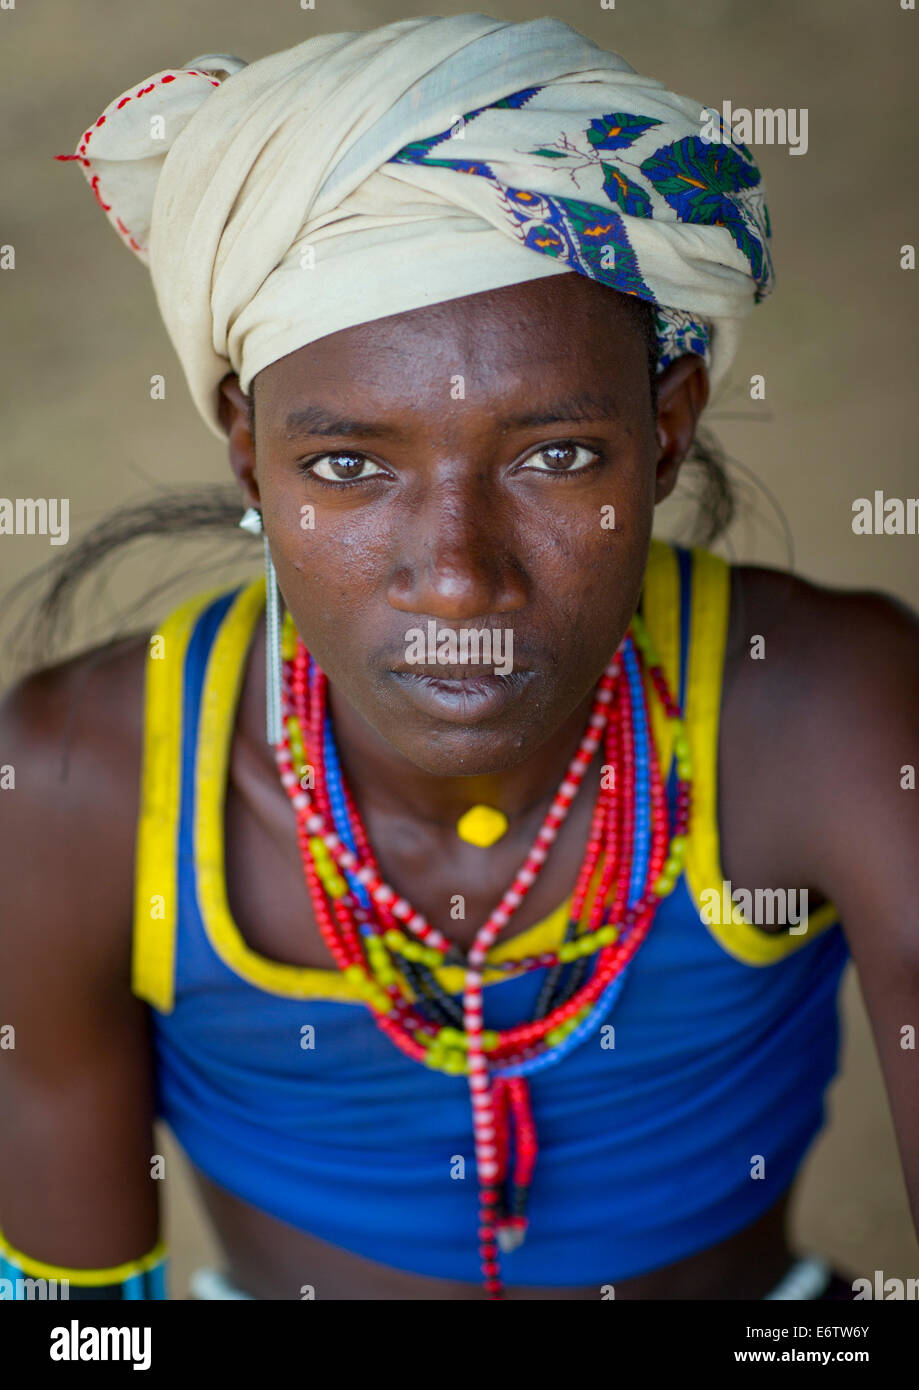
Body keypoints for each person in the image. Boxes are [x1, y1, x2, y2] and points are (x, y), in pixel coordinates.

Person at [0, 15, 916, 1303]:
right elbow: (77, 1323)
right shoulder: (76, 784)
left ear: (667, 434)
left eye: (555, 457)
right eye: (349, 467)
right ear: (243, 447)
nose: (457, 574)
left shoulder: (836, 720)